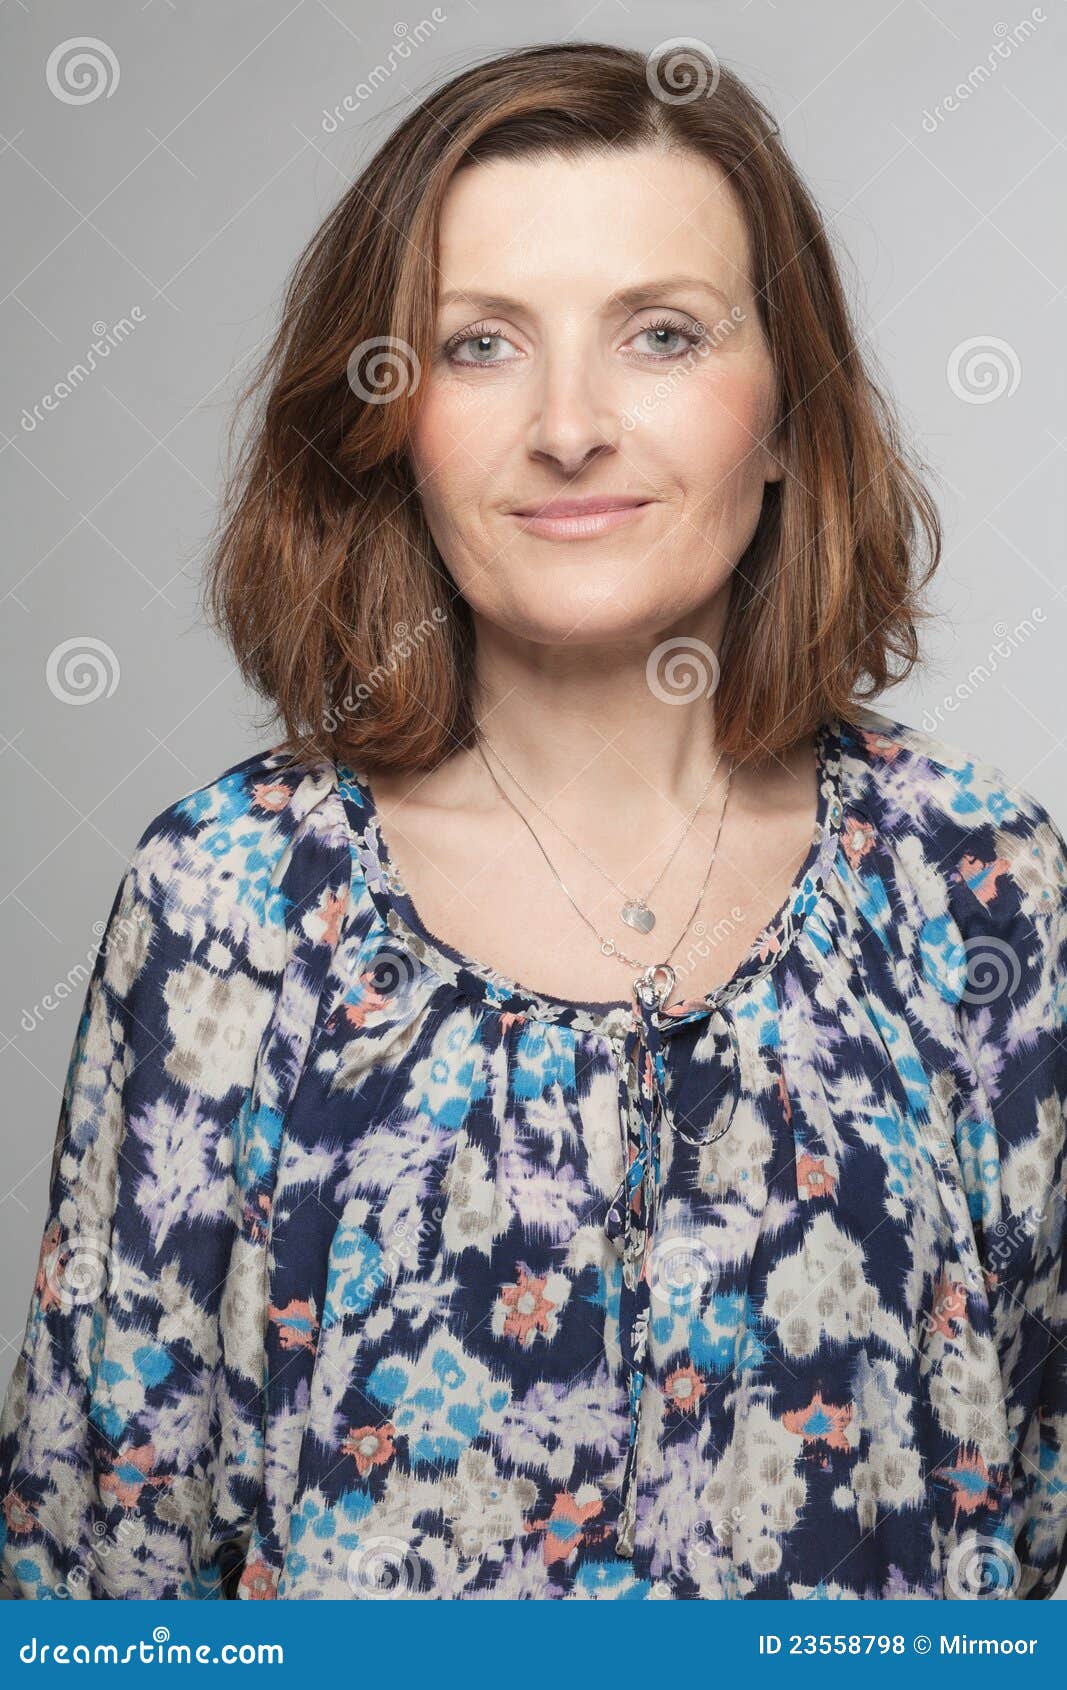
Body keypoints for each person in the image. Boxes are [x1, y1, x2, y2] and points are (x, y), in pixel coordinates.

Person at [1, 40, 1065, 1602]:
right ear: (385, 419)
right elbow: (95, 1569)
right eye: (480, 345)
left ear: (784, 411)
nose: (571, 425)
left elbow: (1039, 1535)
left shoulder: (982, 884)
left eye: (660, 333)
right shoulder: (227, 899)